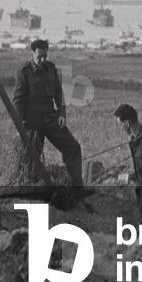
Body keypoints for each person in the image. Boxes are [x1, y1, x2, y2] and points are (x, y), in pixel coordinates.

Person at [13, 39, 84, 191]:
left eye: (45, 56)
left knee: (73, 148)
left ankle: (77, 188)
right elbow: (18, 100)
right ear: (32, 53)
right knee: (29, 160)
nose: (43, 60)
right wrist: (21, 127)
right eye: (40, 57)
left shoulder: (51, 68)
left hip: (51, 119)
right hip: (32, 124)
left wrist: (62, 114)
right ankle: (27, 190)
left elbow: (59, 93)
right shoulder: (23, 72)